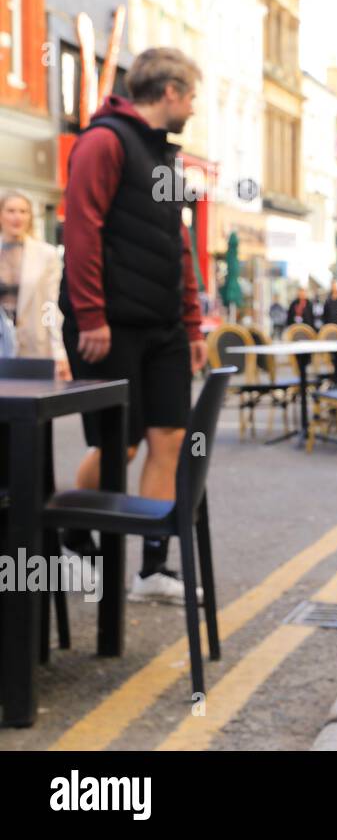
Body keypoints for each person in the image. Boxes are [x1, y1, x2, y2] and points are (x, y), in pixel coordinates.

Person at [60, 47, 208, 604]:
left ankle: (151, 569)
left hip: (164, 328)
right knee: (119, 448)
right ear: (168, 91)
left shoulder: (166, 157)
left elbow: (177, 245)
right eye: (191, 95)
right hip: (110, 326)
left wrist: (192, 326)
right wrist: (91, 316)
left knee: (169, 437)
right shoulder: (103, 141)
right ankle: (74, 539)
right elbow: (81, 230)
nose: (193, 107)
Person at [0, 190, 71, 380]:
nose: (17, 217)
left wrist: (58, 350)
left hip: (34, 343)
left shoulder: (46, 254)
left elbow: (51, 304)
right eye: (11, 211)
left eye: (23, 211)